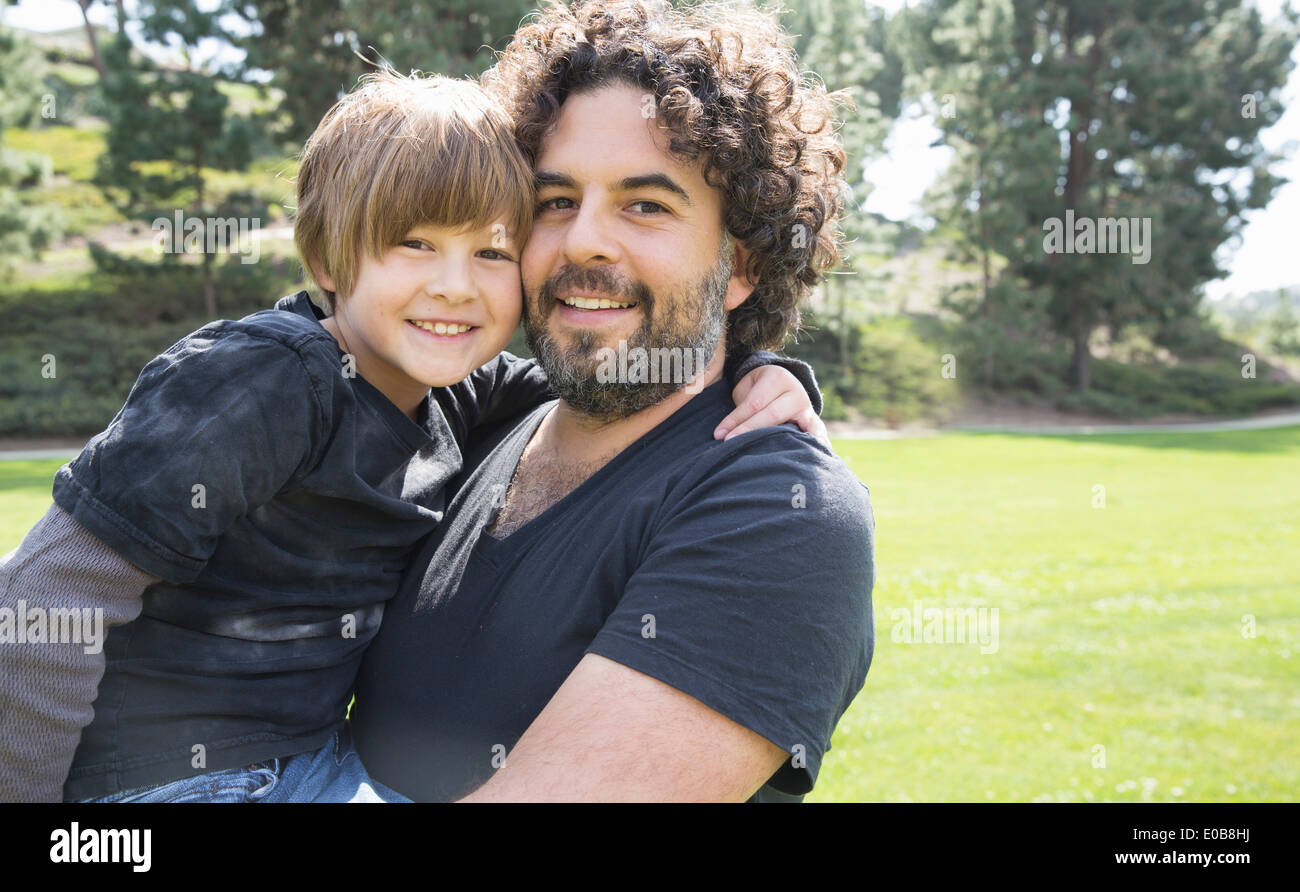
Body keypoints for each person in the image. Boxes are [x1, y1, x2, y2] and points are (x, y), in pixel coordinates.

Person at [0, 69, 820, 803]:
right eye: (413, 244)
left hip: (303, 765)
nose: (454, 286)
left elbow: (621, 378)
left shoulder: (444, 391)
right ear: (326, 257)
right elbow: (47, 595)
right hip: (180, 782)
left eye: (493, 251)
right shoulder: (265, 379)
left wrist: (757, 368)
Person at [348, 0, 876, 803]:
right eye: (554, 200)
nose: (584, 240)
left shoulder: (782, 513)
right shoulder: (475, 419)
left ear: (740, 266)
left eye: (646, 206)